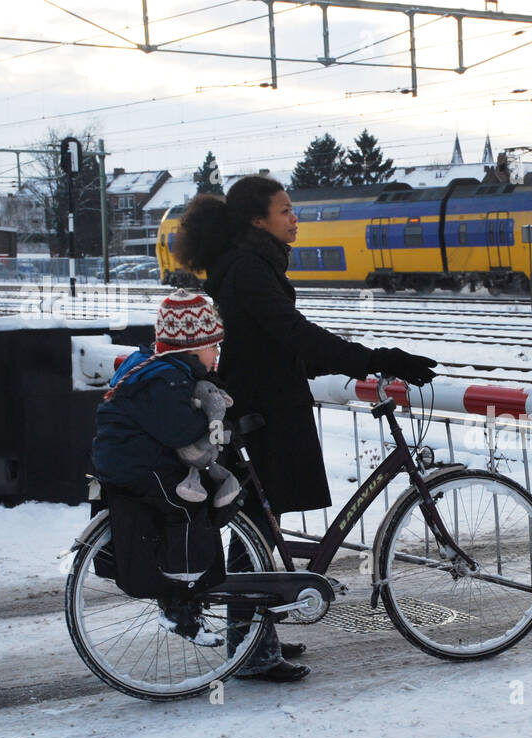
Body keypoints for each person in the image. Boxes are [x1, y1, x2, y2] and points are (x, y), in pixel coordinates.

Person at [173, 175, 438, 682]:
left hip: (262, 404)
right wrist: (377, 356)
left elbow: (274, 345)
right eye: (285, 210)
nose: (295, 218)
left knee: (257, 527)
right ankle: (251, 649)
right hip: (262, 414)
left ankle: (253, 636)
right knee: (253, 526)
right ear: (257, 220)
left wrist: (342, 361)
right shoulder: (250, 267)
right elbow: (295, 335)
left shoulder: (248, 262)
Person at [90, 290, 233, 648]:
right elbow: (180, 430)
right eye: (212, 346)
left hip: (127, 459)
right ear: (191, 348)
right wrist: (210, 416)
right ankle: (178, 604)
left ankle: (186, 593)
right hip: (137, 465)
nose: (217, 354)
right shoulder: (165, 380)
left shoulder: (156, 369)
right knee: (186, 507)